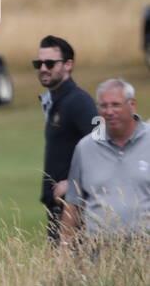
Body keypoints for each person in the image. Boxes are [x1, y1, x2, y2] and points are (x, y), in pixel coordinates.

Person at [61, 79, 150, 244]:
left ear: (132, 104)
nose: (109, 111)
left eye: (115, 105)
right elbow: (73, 203)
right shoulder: (85, 147)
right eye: (103, 106)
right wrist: (64, 247)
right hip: (99, 252)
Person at [35, 35, 98, 242]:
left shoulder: (78, 102)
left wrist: (73, 184)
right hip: (58, 208)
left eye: (50, 63)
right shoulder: (56, 101)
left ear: (68, 65)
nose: (43, 68)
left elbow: (101, 148)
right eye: (39, 63)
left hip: (74, 209)